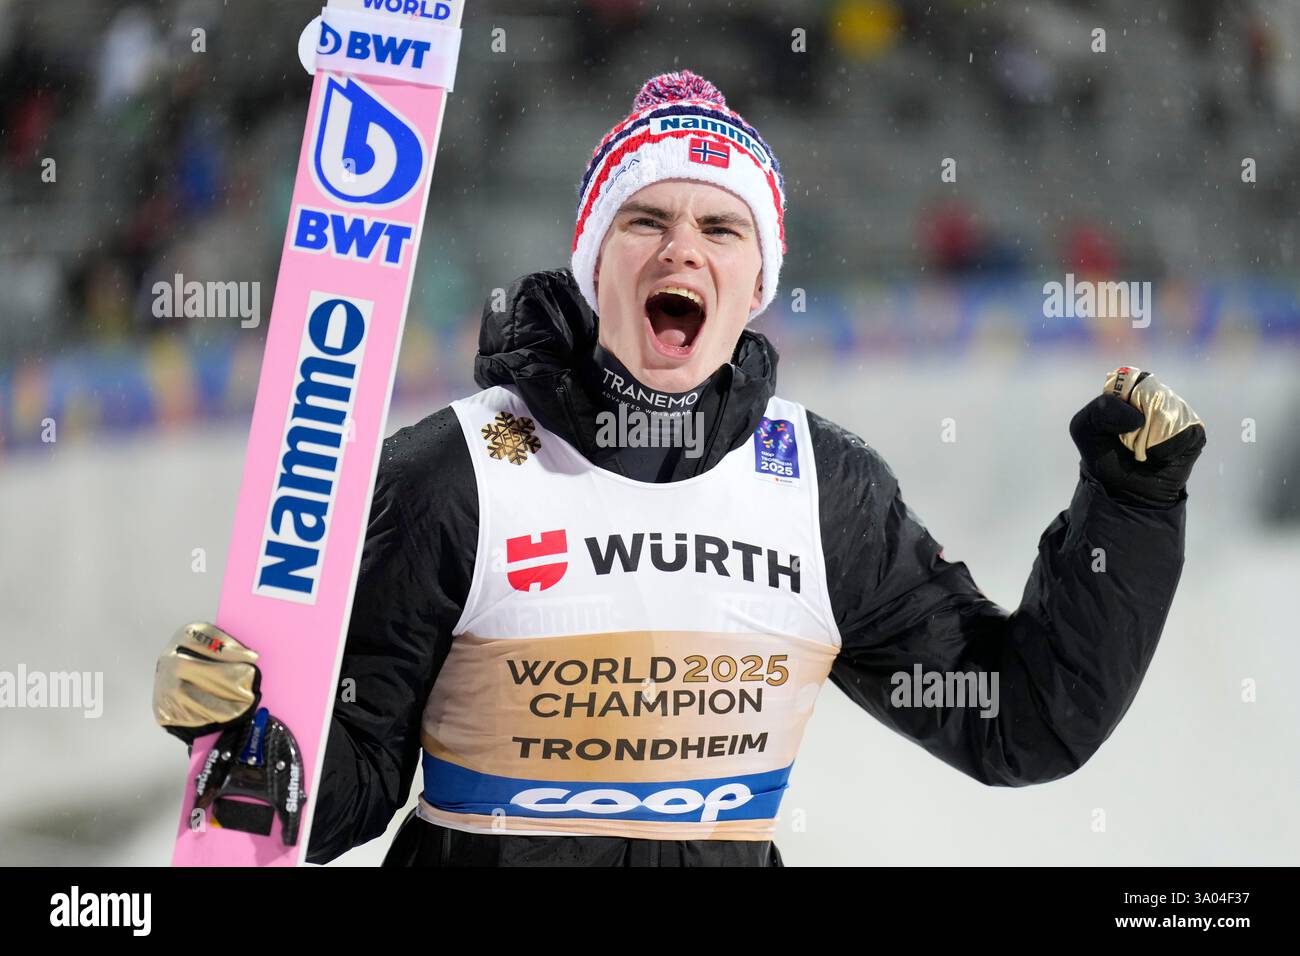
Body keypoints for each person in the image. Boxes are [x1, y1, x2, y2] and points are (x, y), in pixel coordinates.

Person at [155, 70, 1206, 867]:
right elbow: (346, 792)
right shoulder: (453, 473)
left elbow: (1017, 721)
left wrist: (1131, 503)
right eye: (644, 221)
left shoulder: (822, 492)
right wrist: (242, 730)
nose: (680, 250)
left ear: (756, 281)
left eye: (719, 226)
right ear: (593, 260)